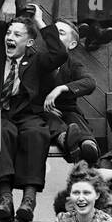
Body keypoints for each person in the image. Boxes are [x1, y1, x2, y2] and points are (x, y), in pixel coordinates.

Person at [0, 14, 67, 222]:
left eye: (17, 34)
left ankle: (28, 200)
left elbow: (59, 54)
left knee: (36, 133)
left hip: (27, 113)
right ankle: (5, 199)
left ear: (29, 42)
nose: (10, 37)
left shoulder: (36, 59)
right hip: (1, 113)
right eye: (8, 33)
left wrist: (41, 23)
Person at [43, 21, 99, 165]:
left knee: (75, 118)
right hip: (42, 111)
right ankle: (66, 140)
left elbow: (90, 82)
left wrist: (61, 88)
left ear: (72, 44)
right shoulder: (39, 61)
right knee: (49, 119)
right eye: (53, 31)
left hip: (68, 111)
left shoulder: (73, 64)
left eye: (61, 33)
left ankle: (88, 145)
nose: (55, 35)